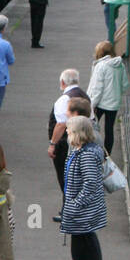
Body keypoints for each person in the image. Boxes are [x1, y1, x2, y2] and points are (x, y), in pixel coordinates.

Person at [61, 115, 107, 260]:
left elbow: (89, 184)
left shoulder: (86, 154)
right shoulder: (84, 150)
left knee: (83, 250)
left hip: (82, 211)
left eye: (69, 130)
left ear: (78, 133)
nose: (66, 132)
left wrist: (74, 204)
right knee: (83, 247)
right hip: (83, 209)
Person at [48, 69, 88, 221]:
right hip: (82, 141)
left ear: (63, 82)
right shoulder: (84, 95)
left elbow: (60, 125)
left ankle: (68, 211)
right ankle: (73, 209)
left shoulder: (64, 100)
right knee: (76, 177)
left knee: (65, 177)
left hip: (65, 144)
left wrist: (52, 144)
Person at [87, 40, 126, 157]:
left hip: (100, 103)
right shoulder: (121, 64)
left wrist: (91, 105)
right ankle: (107, 156)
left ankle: (92, 152)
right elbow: (125, 84)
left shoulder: (100, 66)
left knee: (92, 128)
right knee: (109, 130)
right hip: (114, 104)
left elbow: (97, 88)